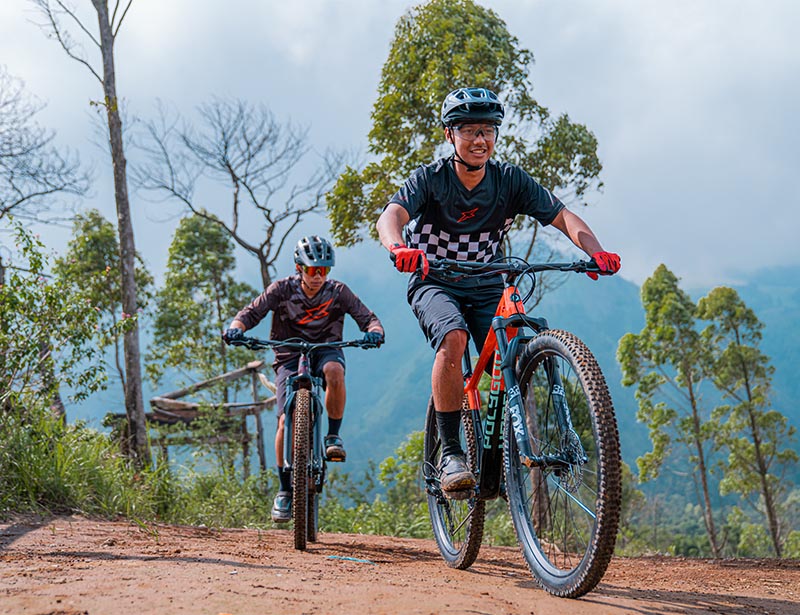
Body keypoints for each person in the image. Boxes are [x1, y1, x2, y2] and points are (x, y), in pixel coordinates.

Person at [376, 87, 620, 497]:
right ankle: (452, 452)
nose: (479, 140)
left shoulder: (509, 180)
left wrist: (596, 253)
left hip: (489, 280)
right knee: (452, 338)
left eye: (487, 130)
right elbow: (392, 215)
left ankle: (501, 454)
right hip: (434, 281)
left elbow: (562, 216)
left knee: (513, 354)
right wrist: (399, 248)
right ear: (450, 135)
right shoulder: (430, 179)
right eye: (468, 130)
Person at [222, 235, 384, 522]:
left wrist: (374, 332)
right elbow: (250, 313)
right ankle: (284, 489)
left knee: (335, 371)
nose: (318, 276)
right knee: (285, 419)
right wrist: (236, 328)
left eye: (324, 270)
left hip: (326, 350)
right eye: (312, 270)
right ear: (299, 268)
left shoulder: (338, 291)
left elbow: (368, 317)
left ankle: (333, 435)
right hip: (288, 355)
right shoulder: (282, 290)